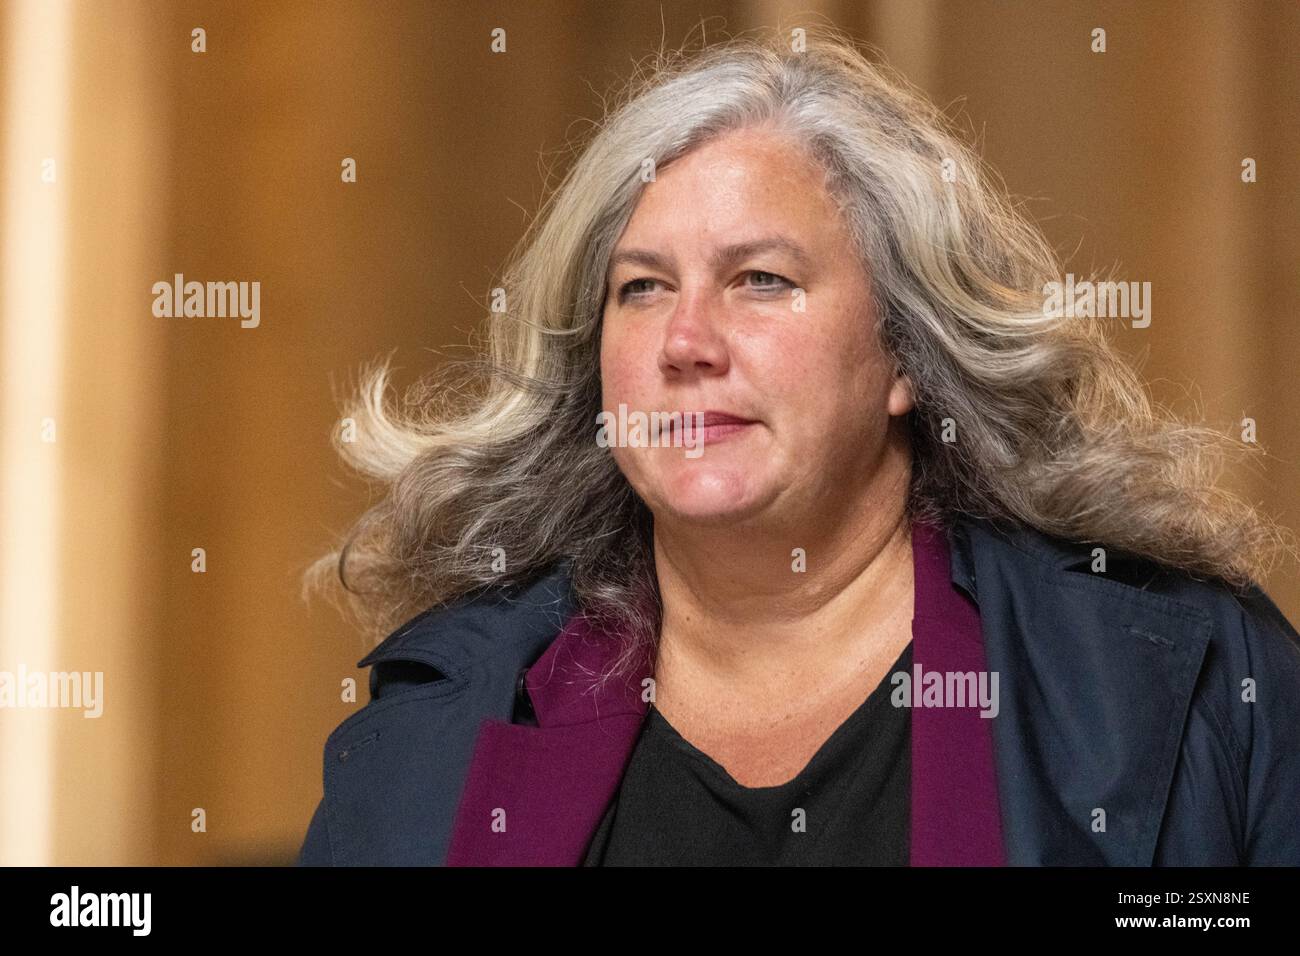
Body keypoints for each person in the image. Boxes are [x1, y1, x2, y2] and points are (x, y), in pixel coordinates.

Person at [297, 26, 1300, 866]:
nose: (685, 340)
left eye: (761, 279)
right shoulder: (432, 730)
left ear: (904, 352)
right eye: (641, 287)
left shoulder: (1191, 674)